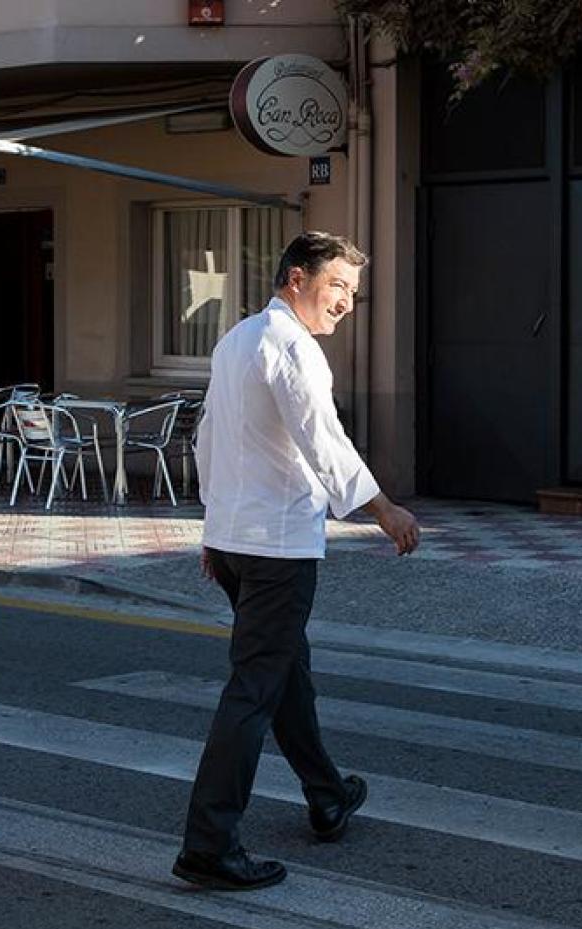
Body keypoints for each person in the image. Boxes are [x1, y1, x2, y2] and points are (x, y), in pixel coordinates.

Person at [173, 231, 420, 891]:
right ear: (294, 278)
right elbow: (324, 439)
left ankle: (327, 792)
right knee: (254, 689)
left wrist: (213, 526)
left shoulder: (236, 340)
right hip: (275, 546)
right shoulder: (292, 347)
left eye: (353, 292)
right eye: (337, 285)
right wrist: (384, 509)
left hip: (236, 541)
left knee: (286, 676)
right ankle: (209, 841)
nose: (345, 301)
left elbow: (208, 438)